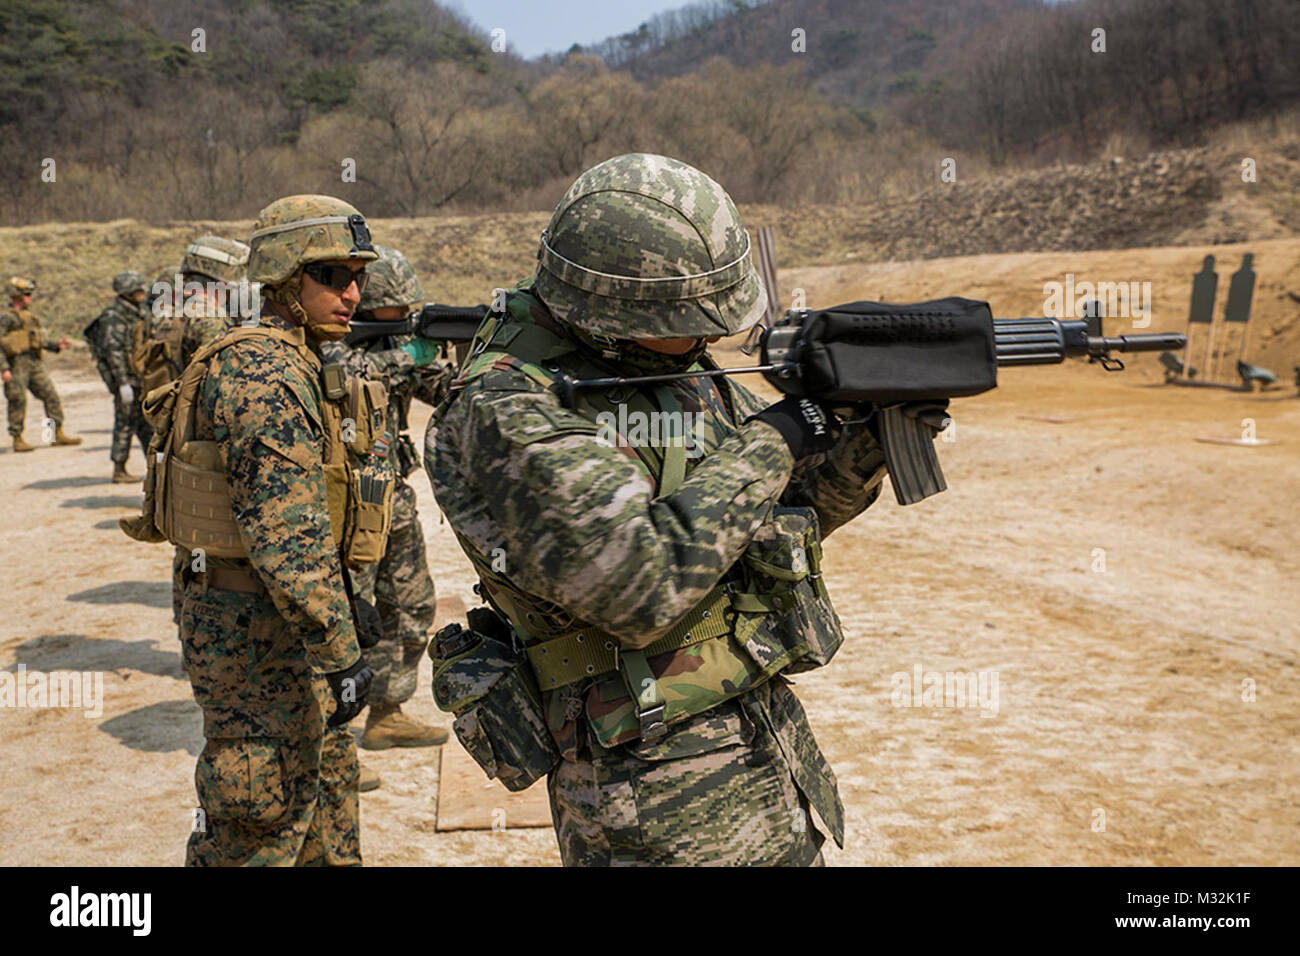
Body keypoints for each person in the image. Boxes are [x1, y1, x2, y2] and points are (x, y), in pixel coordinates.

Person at [426, 153, 945, 865]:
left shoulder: (662, 366)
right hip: (652, 793)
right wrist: (778, 434)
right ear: (613, 312)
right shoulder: (507, 409)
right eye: (692, 322)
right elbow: (642, 586)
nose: (709, 342)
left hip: (757, 744)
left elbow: (765, 515)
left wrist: (862, 435)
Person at [168, 195, 381, 866]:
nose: (351, 292)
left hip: (287, 626)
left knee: (327, 798)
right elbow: (286, 540)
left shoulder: (302, 359)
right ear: (287, 280)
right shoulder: (264, 373)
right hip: (256, 634)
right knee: (258, 815)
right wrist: (339, 645)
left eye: (358, 276)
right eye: (332, 276)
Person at [319, 245, 451, 792]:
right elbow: (344, 375)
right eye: (398, 312)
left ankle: (387, 711)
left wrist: (467, 359)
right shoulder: (326, 344)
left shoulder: (396, 345)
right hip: (346, 508)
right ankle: (326, 747)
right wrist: (410, 354)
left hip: (391, 496)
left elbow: (442, 390)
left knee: (413, 604)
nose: (406, 322)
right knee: (347, 621)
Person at [84, 271, 153, 482]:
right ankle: (119, 468)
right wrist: (123, 384)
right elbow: (113, 354)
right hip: (127, 380)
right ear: (127, 292)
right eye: (138, 290)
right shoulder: (113, 317)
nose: (143, 293)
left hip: (140, 378)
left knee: (146, 425)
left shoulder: (138, 312)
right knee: (124, 423)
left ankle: (154, 467)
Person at [1, 276, 80, 452]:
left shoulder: (30, 317)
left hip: (34, 363)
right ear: (17, 297)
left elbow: (37, 340)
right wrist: (3, 368)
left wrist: (56, 346)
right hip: (16, 364)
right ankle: (17, 438)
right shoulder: (7, 318)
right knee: (17, 400)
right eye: (27, 294)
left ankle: (55, 434)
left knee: (50, 396)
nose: (30, 298)